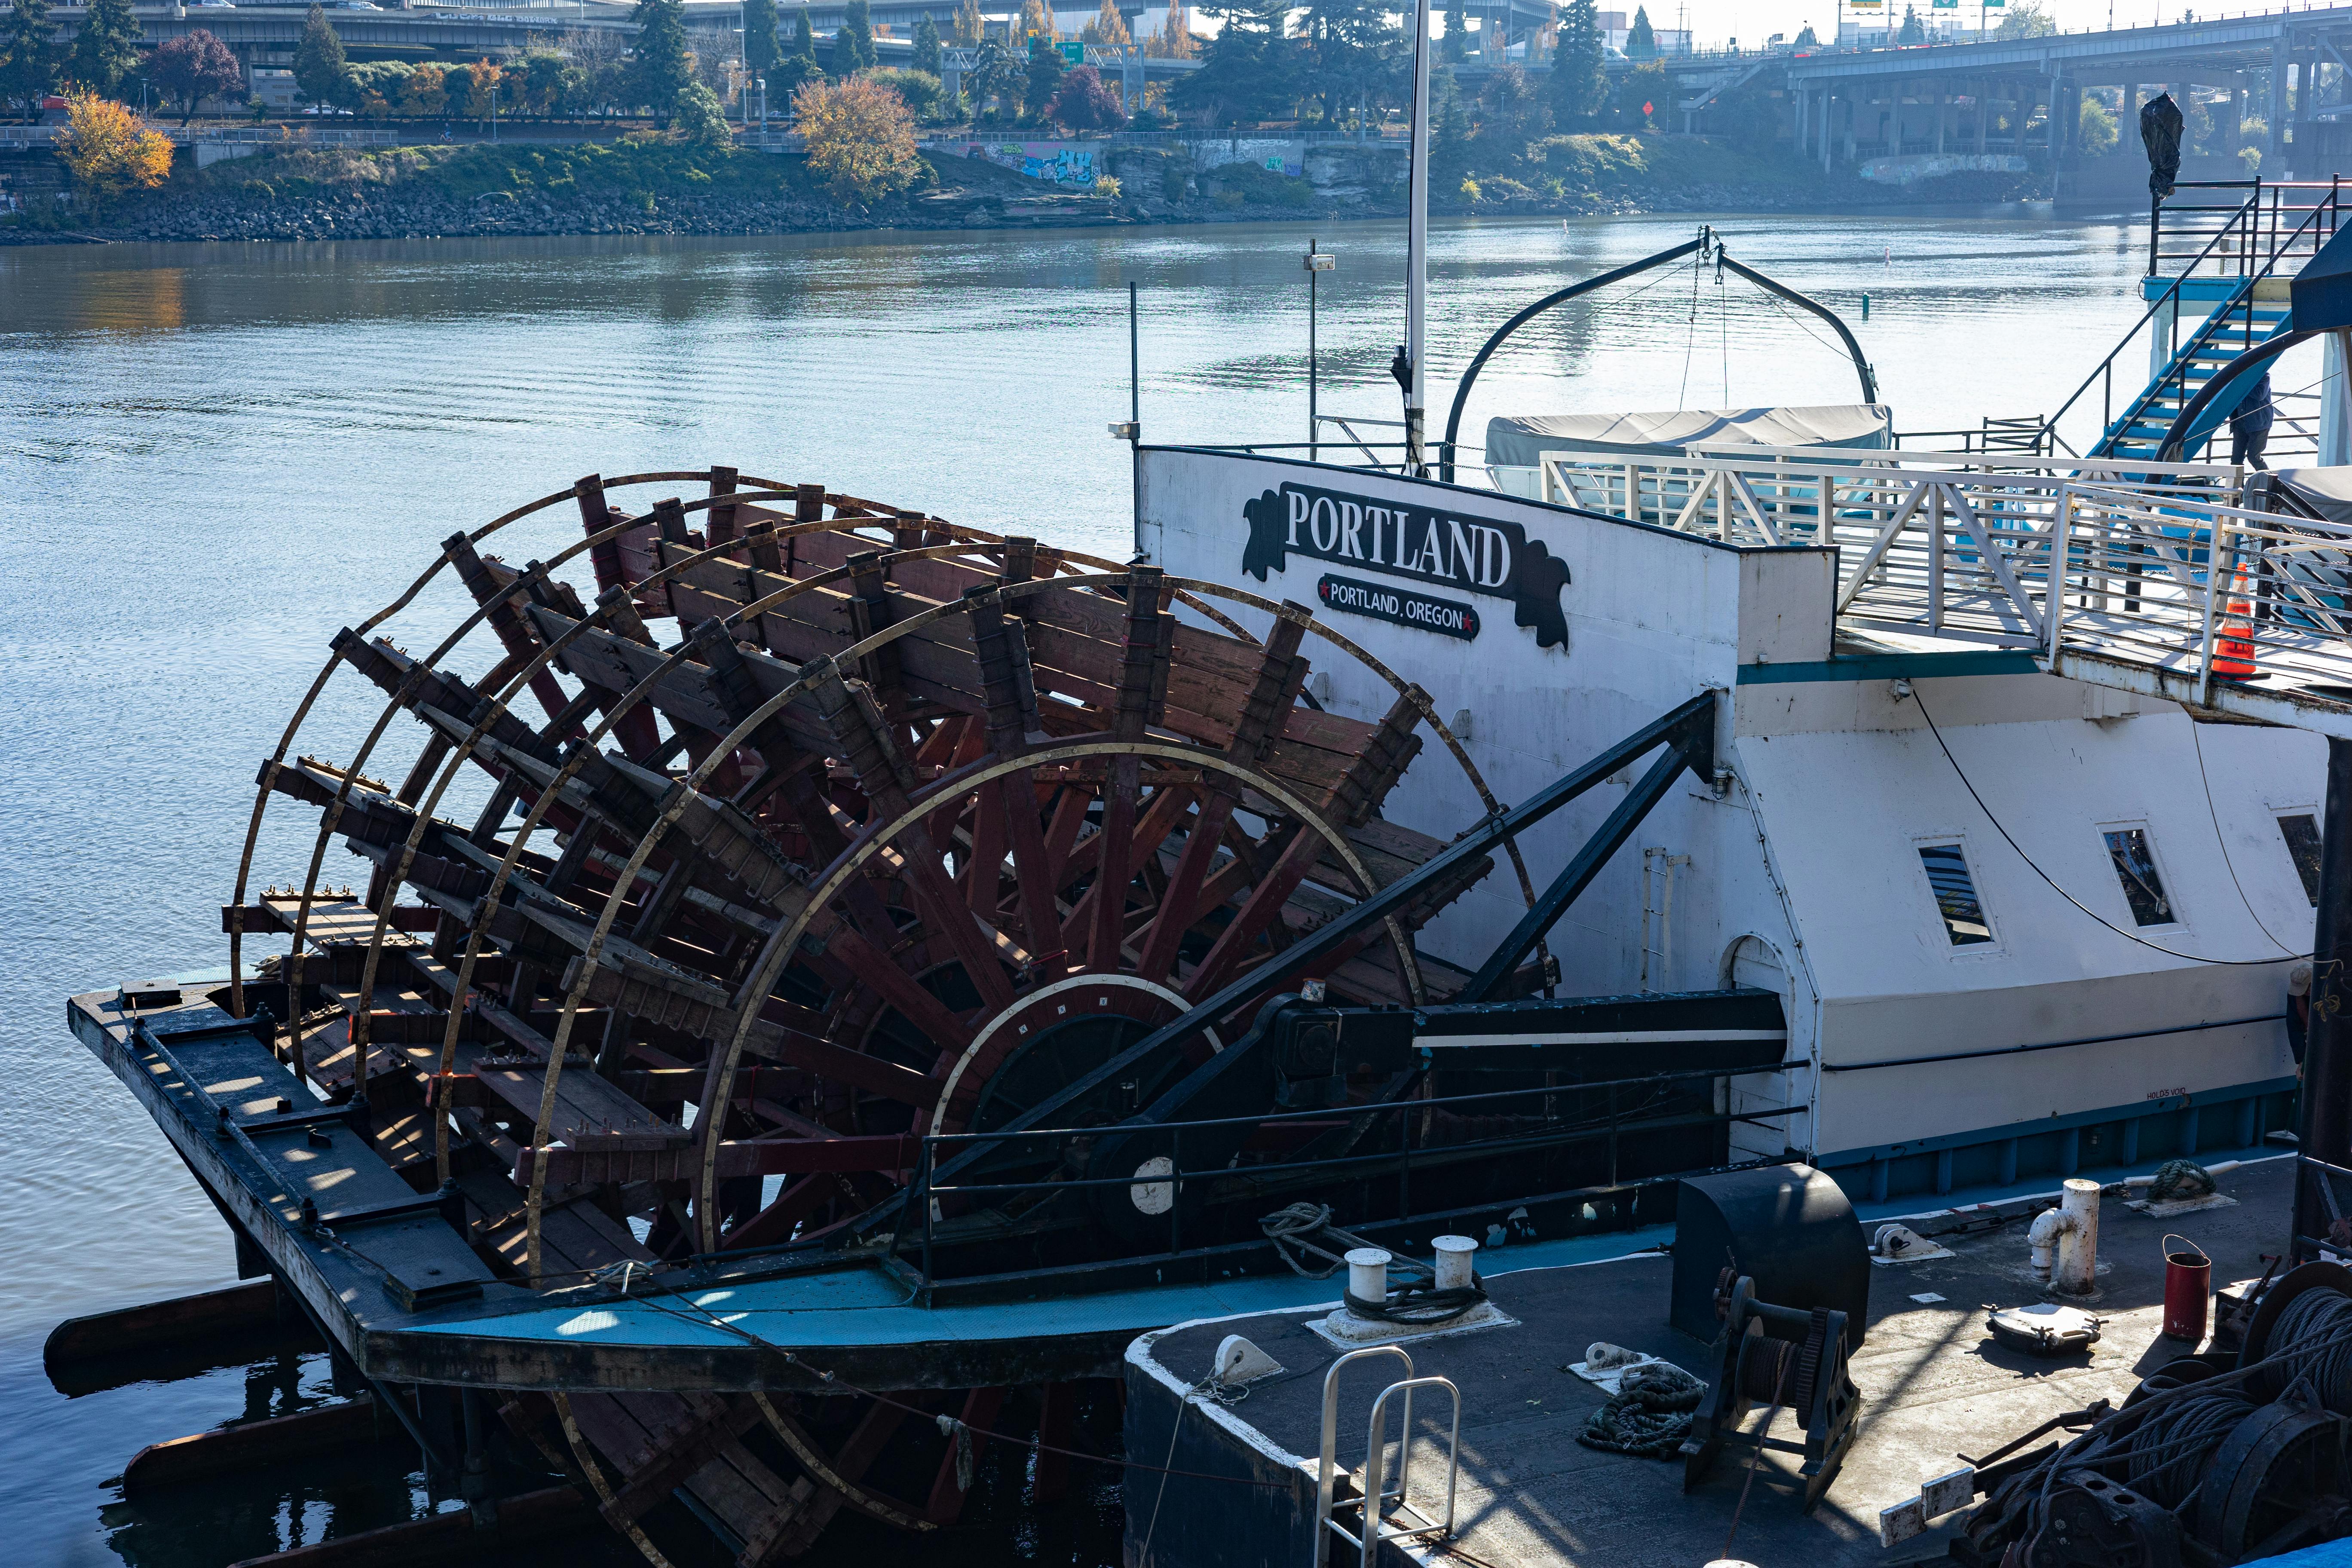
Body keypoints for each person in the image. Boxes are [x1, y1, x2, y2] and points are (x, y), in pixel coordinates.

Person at [2230, 369, 2275, 469]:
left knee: (2254, 457)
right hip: (2240, 422)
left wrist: (2243, 384)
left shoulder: (2264, 376)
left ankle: (2268, 482)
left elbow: (2260, 395)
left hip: (2259, 424)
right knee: (2236, 459)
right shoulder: (2238, 376)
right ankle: (2237, 485)